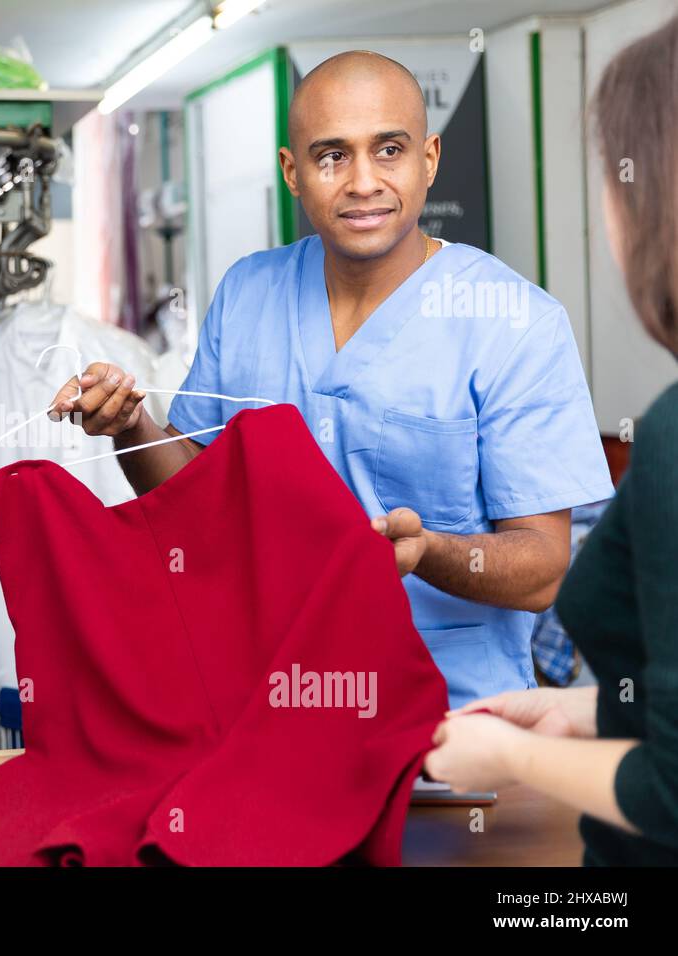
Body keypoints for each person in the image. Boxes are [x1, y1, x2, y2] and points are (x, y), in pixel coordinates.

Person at [50, 51, 613, 709]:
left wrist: (426, 551)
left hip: (454, 722)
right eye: (332, 156)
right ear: (293, 171)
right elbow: (189, 505)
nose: (363, 181)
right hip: (266, 704)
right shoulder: (249, 293)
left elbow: (542, 572)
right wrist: (132, 428)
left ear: (428, 159)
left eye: (390, 149)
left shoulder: (515, 322)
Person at [428, 15, 678, 866]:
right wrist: (581, 710)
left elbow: (674, 793)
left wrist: (509, 754)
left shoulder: (666, 429)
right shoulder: (252, 299)